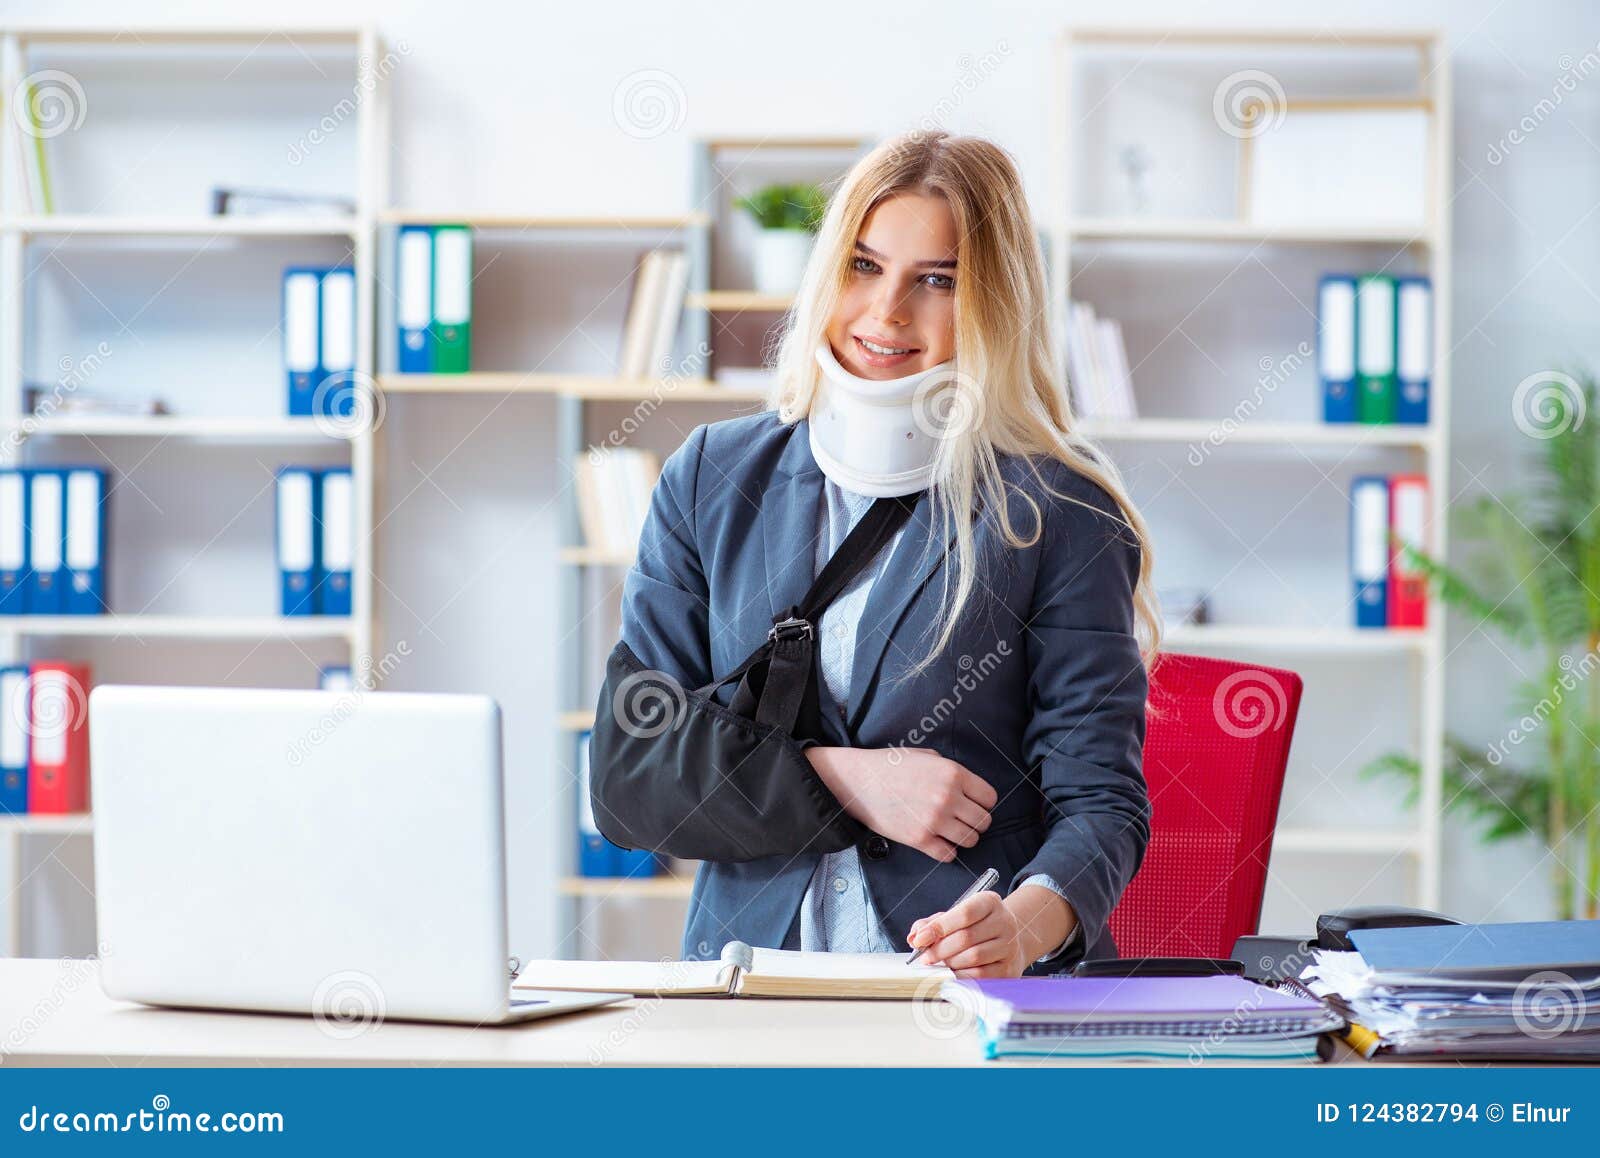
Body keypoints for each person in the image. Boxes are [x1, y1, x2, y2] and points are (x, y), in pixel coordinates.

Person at [616, 130, 1160, 977]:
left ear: (993, 304)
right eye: (863, 266)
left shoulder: (1058, 515)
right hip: (748, 981)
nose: (887, 312)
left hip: (959, 989)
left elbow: (1102, 806)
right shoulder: (711, 480)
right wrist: (842, 779)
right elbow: (634, 770)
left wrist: (1020, 924)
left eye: (937, 280)